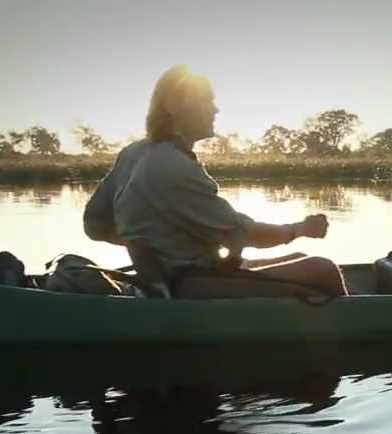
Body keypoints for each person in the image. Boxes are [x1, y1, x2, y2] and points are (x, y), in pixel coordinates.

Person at [83, 65, 346, 297]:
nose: (215, 109)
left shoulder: (132, 153)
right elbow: (245, 233)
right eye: (206, 100)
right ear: (174, 105)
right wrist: (299, 229)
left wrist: (146, 245)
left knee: (300, 259)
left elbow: (94, 224)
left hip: (182, 275)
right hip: (187, 284)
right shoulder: (172, 166)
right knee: (323, 270)